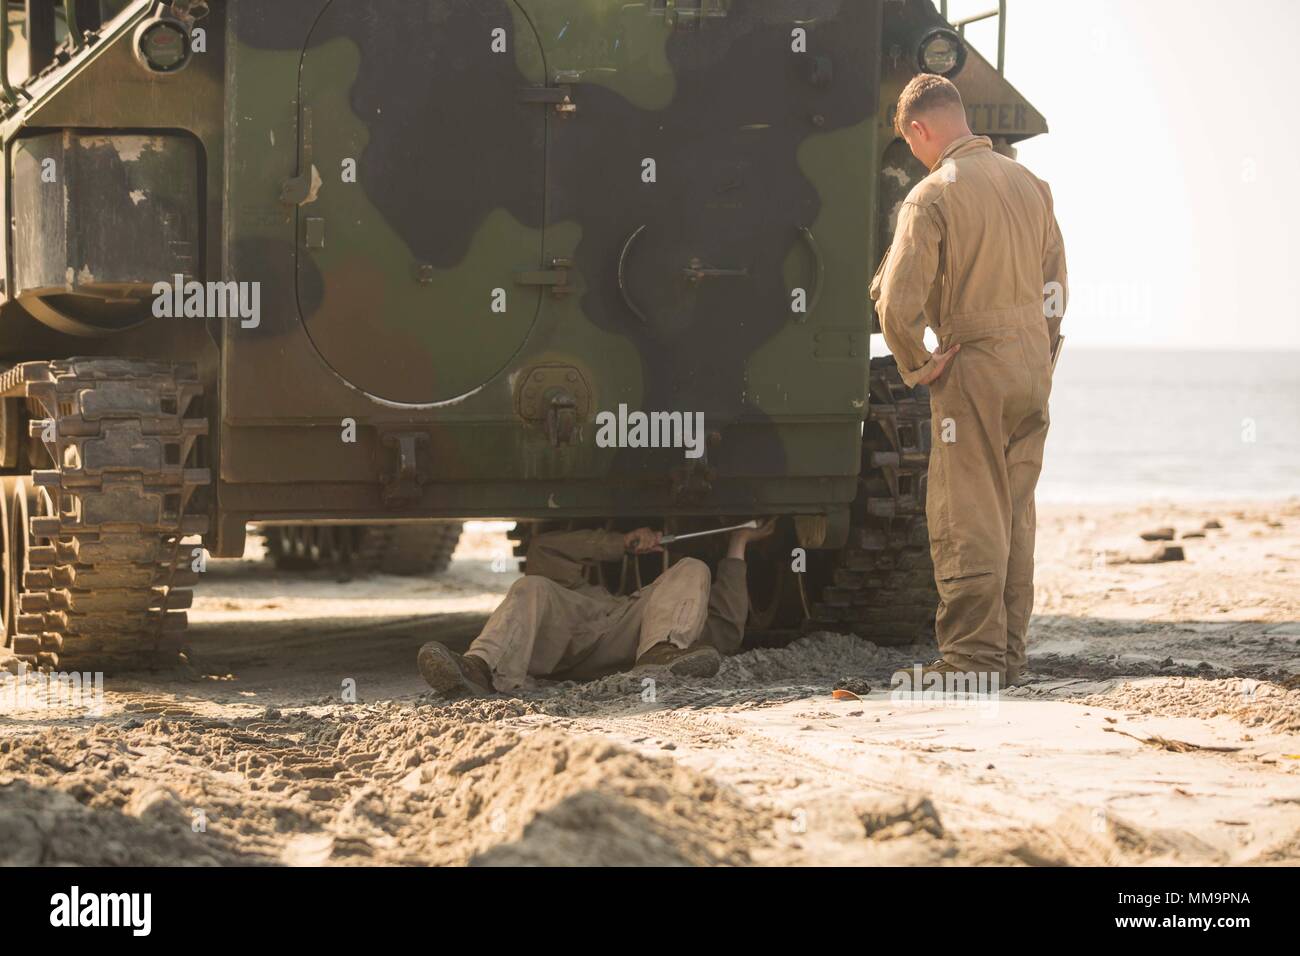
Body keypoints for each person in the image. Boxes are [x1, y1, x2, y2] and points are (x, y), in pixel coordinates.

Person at [873, 74, 1068, 688]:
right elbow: (1056, 290)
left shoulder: (932, 196)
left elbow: (895, 304)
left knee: (967, 512)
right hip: (1031, 368)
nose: (912, 155)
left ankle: (971, 660)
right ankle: (1007, 655)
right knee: (1015, 513)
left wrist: (915, 361)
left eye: (909, 143)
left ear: (919, 129)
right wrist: (1043, 352)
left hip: (971, 366)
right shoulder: (1032, 187)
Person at [417, 520, 775, 695]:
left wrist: (738, 543)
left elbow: (726, 631)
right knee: (531, 586)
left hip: (635, 638)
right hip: (568, 634)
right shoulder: (575, 595)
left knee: (693, 566)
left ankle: (660, 658)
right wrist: (620, 544)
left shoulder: (659, 607)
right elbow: (545, 550)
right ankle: (477, 670)